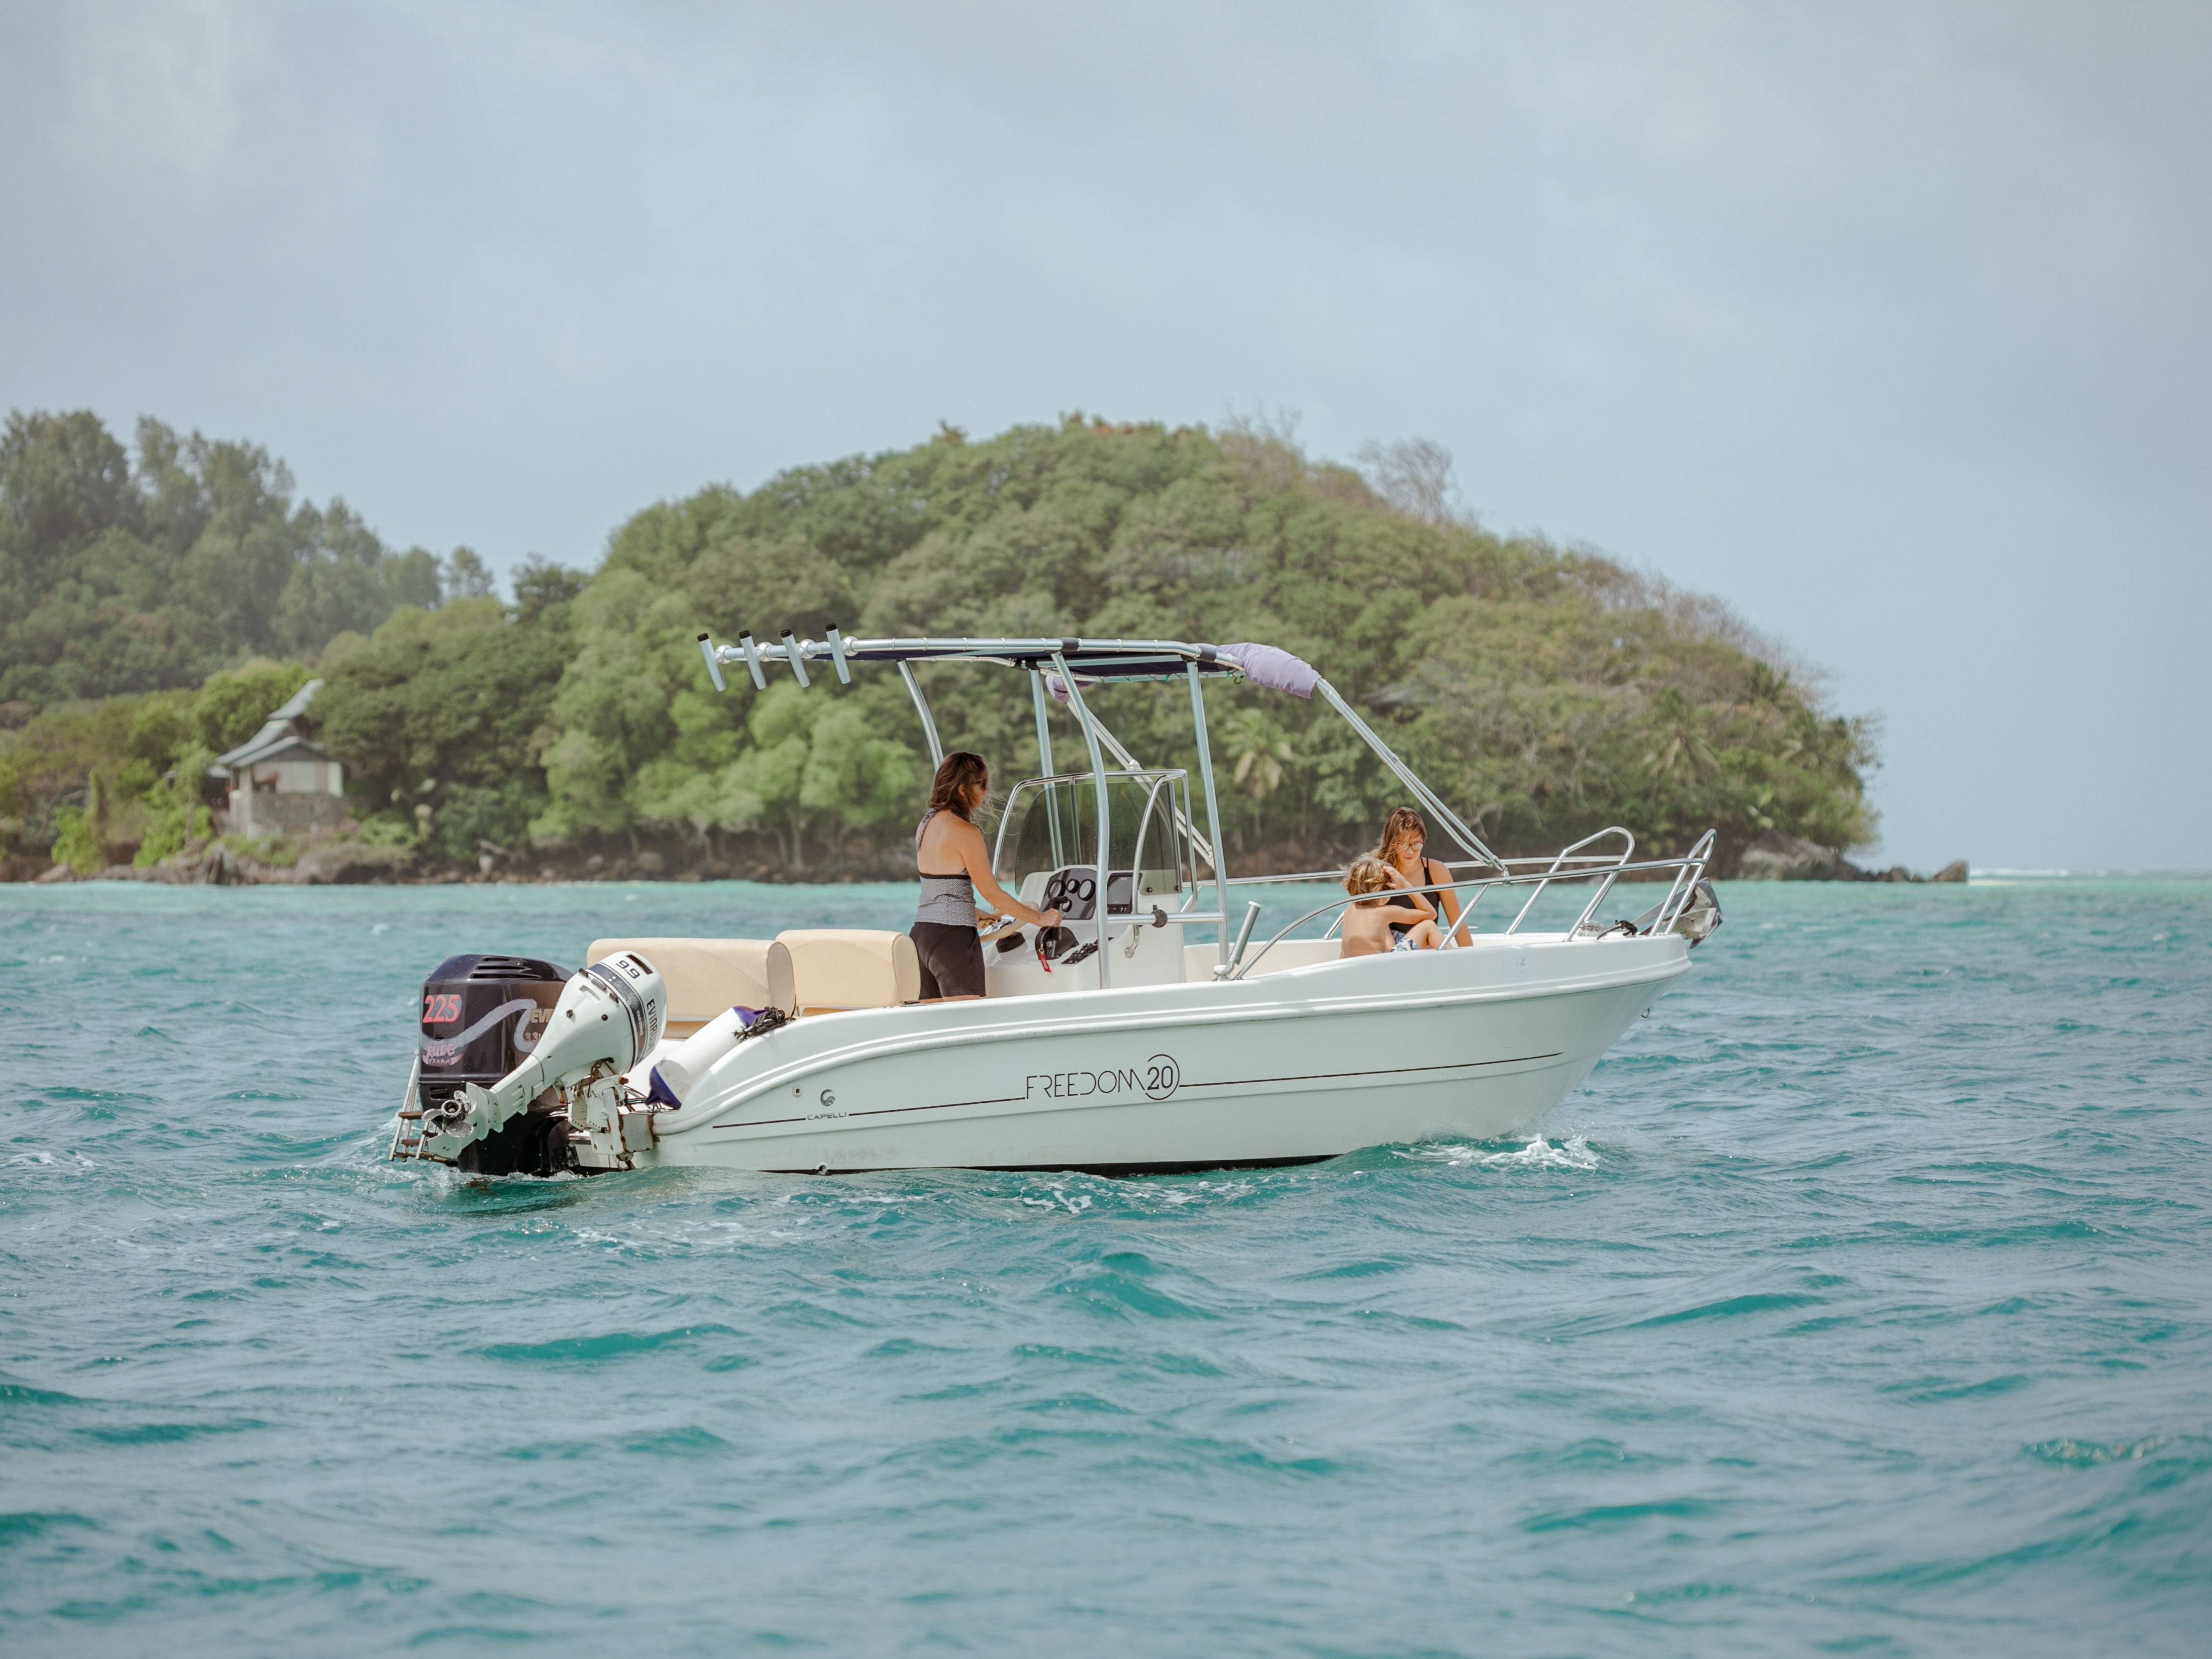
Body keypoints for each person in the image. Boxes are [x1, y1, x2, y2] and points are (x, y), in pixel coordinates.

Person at [911, 752, 1064, 1001]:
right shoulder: (966, 832)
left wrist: (973, 911)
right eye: (981, 783)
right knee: (968, 1025)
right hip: (952, 940)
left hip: (921, 938)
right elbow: (991, 892)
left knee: (935, 1027)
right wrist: (1040, 918)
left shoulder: (926, 824)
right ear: (962, 789)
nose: (986, 790)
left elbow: (939, 885)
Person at [1374, 805, 1467, 947]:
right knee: (1429, 925)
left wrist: (1471, 955)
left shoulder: (1436, 871)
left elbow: (1457, 922)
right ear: (1392, 843)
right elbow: (1381, 925)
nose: (1410, 851)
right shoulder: (1380, 871)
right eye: (1403, 844)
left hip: (1425, 945)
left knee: (1430, 928)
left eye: (1416, 844)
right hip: (1393, 948)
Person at [1340, 857, 1443, 957]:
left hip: (1353, 968)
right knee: (1429, 926)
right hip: (1379, 968)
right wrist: (1405, 886)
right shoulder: (1384, 912)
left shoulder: (1351, 908)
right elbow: (1431, 914)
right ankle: (1454, 967)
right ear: (1386, 888)